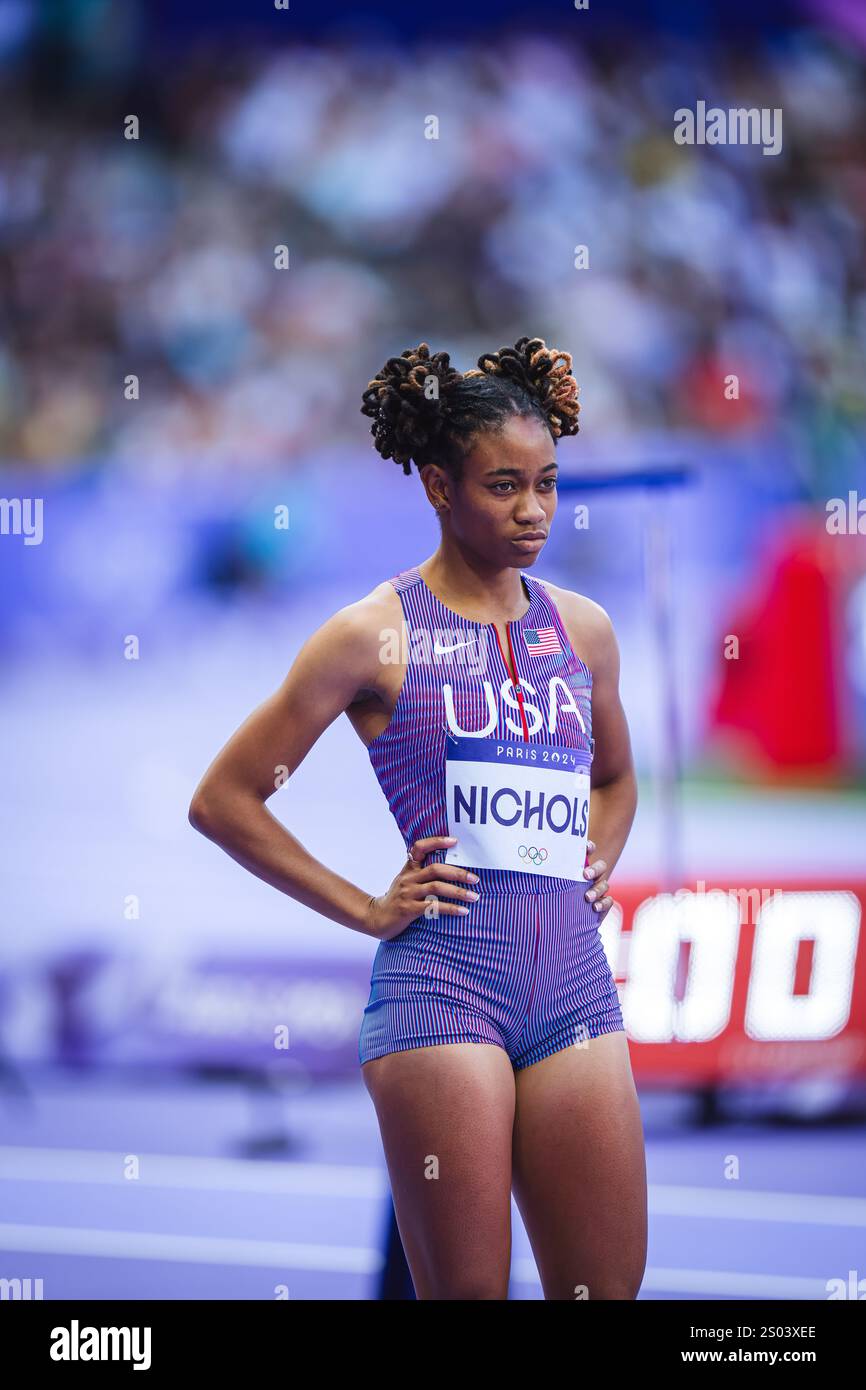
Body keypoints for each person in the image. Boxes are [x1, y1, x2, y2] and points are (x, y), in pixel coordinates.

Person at [189, 336, 647, 1300]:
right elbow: (226, 799)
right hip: (443, 993)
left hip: (573, 988)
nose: (534, 513)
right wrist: (364, 908)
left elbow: (614, 779)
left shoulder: (584, 630)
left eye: (550, 485)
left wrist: (595, 860)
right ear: (438, 486)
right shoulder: (371, 636)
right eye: (504, 487)